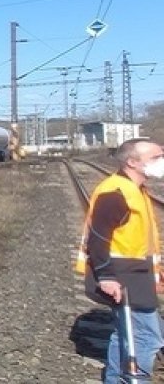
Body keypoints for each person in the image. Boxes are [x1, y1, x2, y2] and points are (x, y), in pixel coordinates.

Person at [79, 138, 164, 383]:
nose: (161, 162)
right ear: (132, 162)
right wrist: (105, 276)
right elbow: (97, 238)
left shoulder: (135, 189)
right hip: (122, 277)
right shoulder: (115, 192)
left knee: (126, 334)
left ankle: (116, 379)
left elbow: (137, 240)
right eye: (155, 157)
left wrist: (154, 272)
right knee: (148, 338)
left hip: (135, 274)